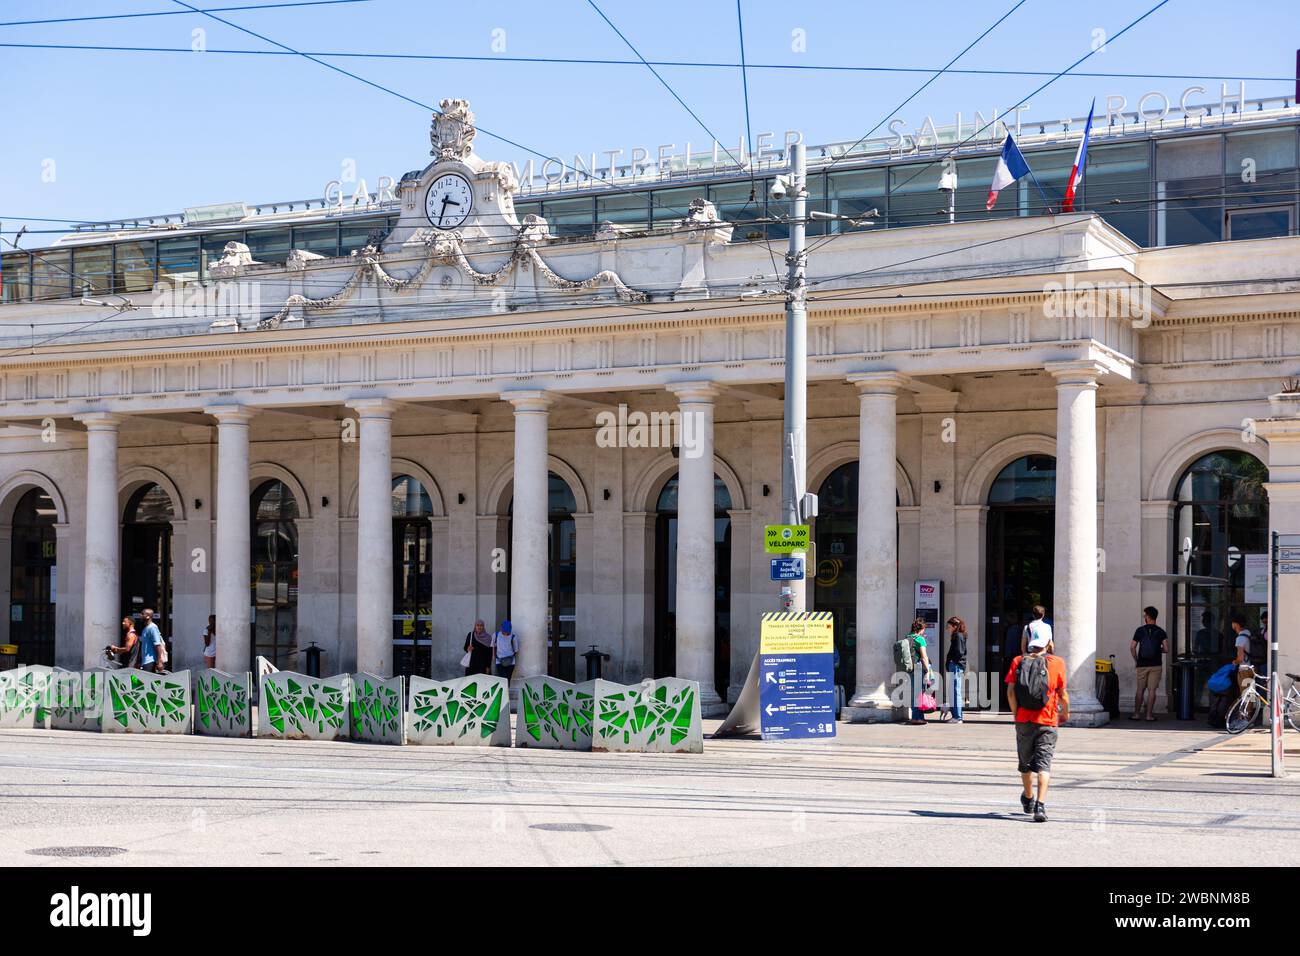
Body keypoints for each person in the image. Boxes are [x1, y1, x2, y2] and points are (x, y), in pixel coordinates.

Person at [1006, 630, 1069, 823]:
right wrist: (1065, 712)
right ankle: (1040, 806)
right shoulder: (1057, 663)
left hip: (1024, 720)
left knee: (1025, 763)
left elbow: (1010, 692)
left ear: (1030, 643)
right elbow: (1063, 694)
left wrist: (1017, 714)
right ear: (1048, 642)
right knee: (1044, 765)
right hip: (1048, 721)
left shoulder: (1018, 661)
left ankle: (1028, 797)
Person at [1130, 606, 1168, 721]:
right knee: (1152, 690)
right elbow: (1166, 649)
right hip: (1156, 664)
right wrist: (1158, 650)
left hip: (1142, 664)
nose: (1144, 617)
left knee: (1140, 689)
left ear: (1147, 616)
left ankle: (1136, 714)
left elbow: (1132, 647)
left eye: (1144, 615)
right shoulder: (1161, 631)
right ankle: (1149, 715)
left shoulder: (1140, 630)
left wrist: (1137, 659)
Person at [905, 618, 933, 725]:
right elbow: (924, 656)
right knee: (918, 693)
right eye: (924, 629)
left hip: (910, 668)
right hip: (918, 667)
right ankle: (916, 717)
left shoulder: (907, 637)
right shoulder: (920, 639)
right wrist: (928, 671)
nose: (924, 631)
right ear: (921, 628)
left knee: (915, 693)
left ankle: (919, 716)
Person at [943, 616, 968, 723]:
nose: (947, 628)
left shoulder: (957, 636)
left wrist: (952, 661)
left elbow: (959, 652)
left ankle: (957, 717)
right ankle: (956, 716)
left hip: (956, 666)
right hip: (957, 665)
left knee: (955, 691)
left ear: (954, 626)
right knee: (954, 691)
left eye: (949, 626)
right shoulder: (959, 635)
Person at [138, 609, 165, 674]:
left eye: (142, 614)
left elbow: (158, 645)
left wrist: (159, 662)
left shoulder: (153, 627)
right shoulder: (145, 628)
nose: (140, 616)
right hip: (145, 661)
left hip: (151, 661)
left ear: (148, 616)